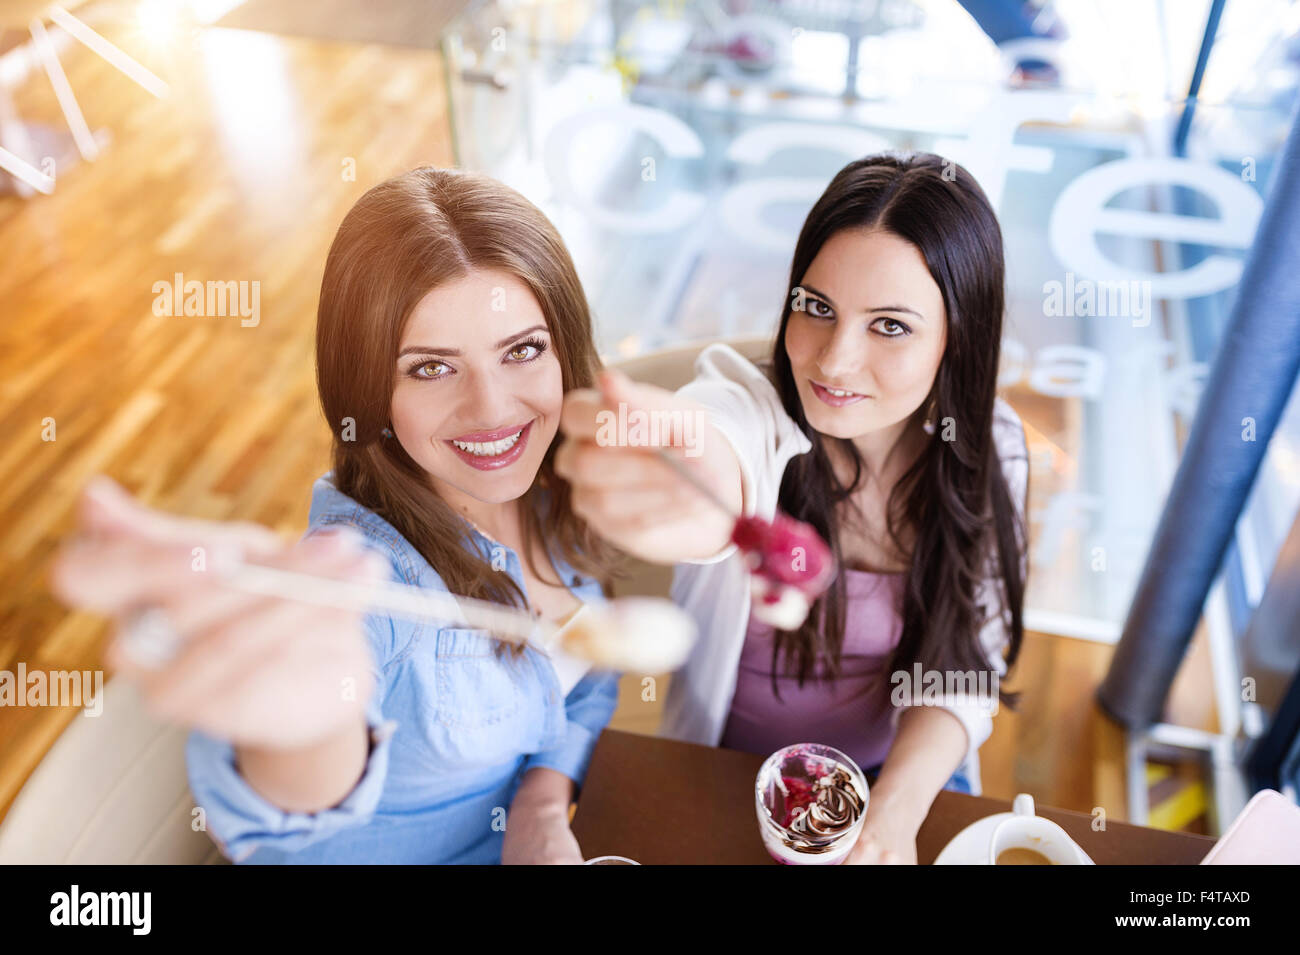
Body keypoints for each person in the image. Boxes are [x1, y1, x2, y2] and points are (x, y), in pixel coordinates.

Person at [52, 167, 623, 864]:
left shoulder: (565, 488)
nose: (494, 408)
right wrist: (306, 731)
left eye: (523, 350)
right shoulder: (365, 584)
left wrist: (540, 800)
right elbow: (290, 796)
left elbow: (590, 678)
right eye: (431, 368)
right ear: (368, 387)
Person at [557, 152, 1030, 864]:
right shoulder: (754, 406)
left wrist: (892, 815)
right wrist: (693, 482)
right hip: (730, 772)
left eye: (890, 326)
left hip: (904, 769)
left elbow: (966, 663)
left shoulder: (990, 449)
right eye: (817, 307)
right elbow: (720, 438)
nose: (833, 361)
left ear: (955, 338)